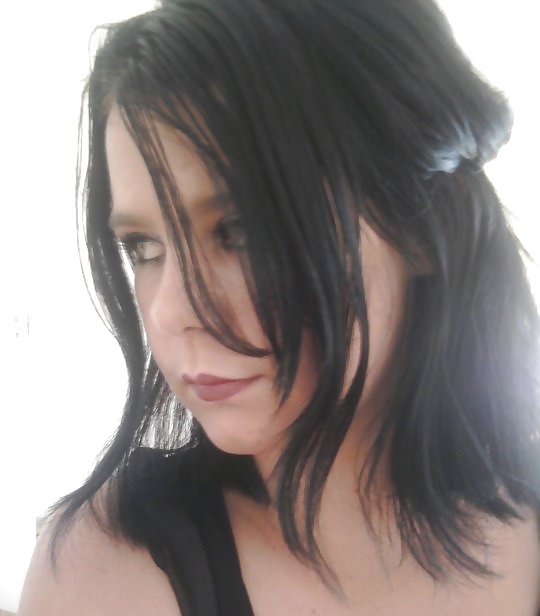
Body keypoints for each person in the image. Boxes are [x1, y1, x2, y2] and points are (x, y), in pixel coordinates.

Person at [18, 0, 540, 614]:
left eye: (241, 233)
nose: (167, 312)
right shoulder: (105, 569)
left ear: (423, 228)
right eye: (144, 247)